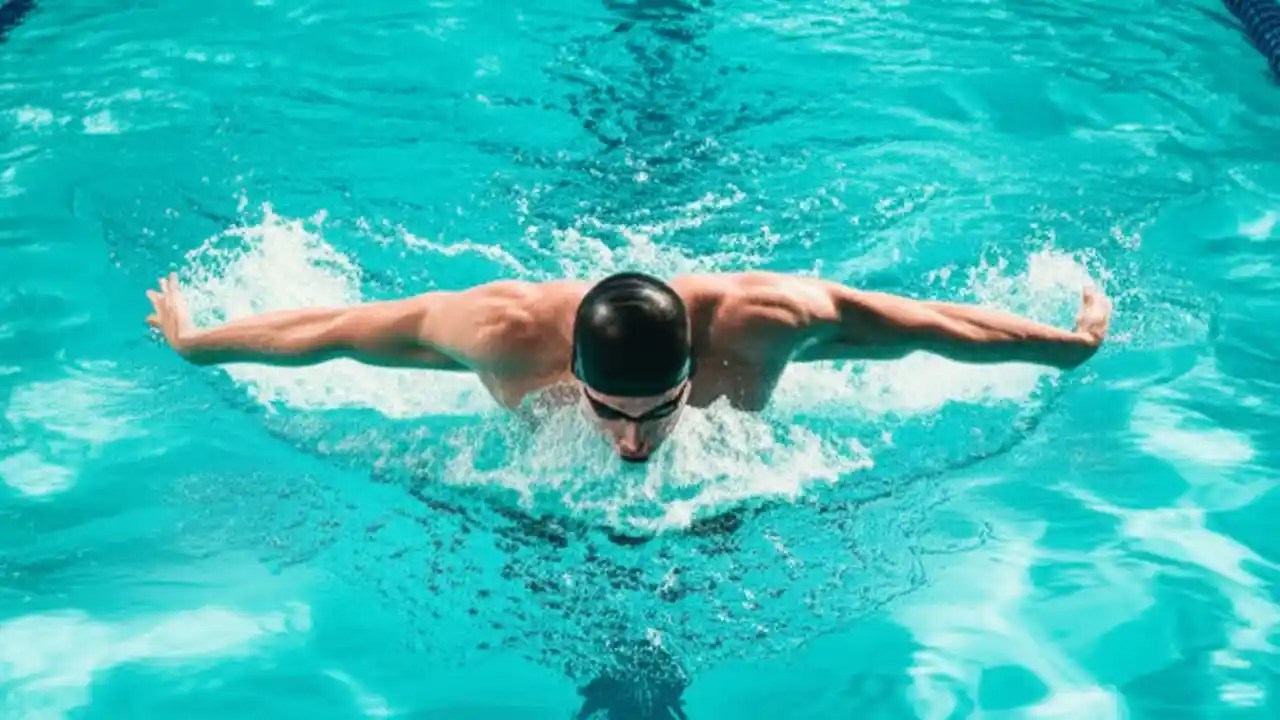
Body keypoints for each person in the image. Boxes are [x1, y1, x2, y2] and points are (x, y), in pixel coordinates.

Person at [146, 269, 1112, 462]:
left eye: (659, 412)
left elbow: (931, 327)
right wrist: (197, 341)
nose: (631, 444)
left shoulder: (767, 322)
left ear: (696, 368)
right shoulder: (499, 332)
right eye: (607, 410)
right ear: (569, 366)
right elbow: (334, 330)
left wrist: (1064, 346)